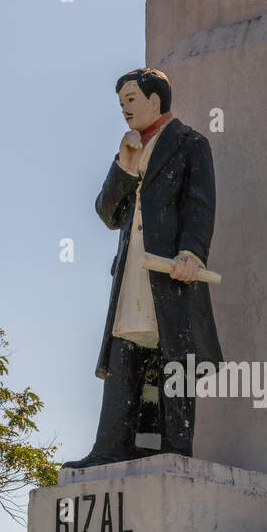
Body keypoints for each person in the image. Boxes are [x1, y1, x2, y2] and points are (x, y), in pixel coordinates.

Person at [64, 67, 222, 468]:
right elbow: (108, 214)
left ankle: (175, 449)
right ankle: (110, 447)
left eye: (131, 100)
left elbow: (199, 205)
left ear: (156, 99)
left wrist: (192, 253)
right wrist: (124, 164)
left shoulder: (191, 144)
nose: (125, 109)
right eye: (121, 103)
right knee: (125, 353)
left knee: (175, 356)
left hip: (170, 273)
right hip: (132, 274)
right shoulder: (129, 152)